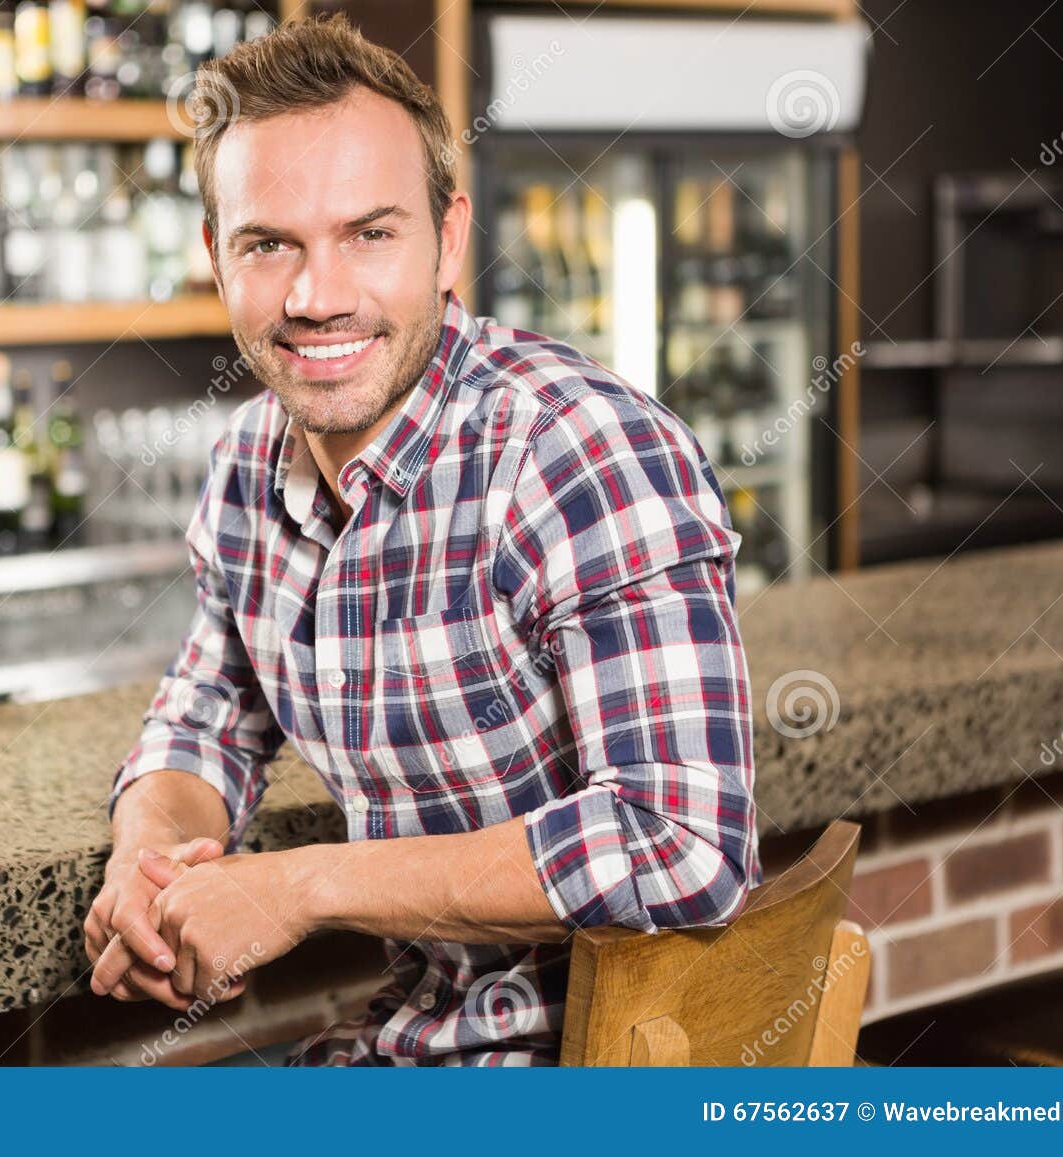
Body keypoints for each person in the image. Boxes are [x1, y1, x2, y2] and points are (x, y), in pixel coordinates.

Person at [84, 13, 761, 1066]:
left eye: (370, 234)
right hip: (409, 1042)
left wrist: (303, 887)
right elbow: (204, 722)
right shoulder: (248, 465)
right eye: (269, 244)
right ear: (216, 258)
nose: (317, 297)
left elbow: (680, 844)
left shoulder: (576, 452)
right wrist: (147, 860)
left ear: (448, 239)